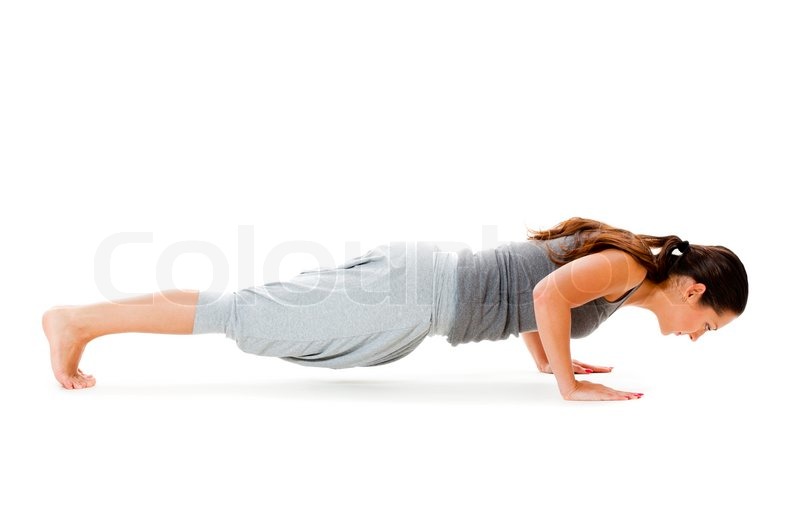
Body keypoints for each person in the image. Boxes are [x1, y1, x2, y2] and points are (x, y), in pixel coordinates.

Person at [41, 217, 748, 401]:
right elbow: (542, 294)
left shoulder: (626, 282)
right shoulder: (627, 266)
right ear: (694, 292)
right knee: (243, 314)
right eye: (708, 326)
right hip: (418, 294)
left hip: (422, 301)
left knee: (243, 310)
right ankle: (78, 321)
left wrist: (546, 359)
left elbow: (536, 296)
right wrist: (567, 383)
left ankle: (82, 320)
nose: (695, 337)